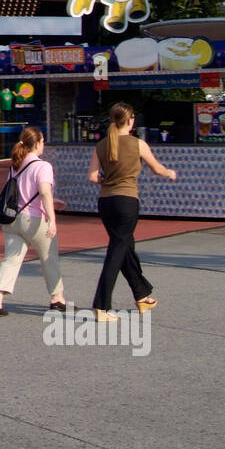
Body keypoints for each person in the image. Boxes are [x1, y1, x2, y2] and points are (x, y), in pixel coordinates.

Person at [87, 102, 178, 322]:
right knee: (117, 252)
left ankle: (142, 295)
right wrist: (170, 173)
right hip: (127, 201)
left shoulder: (102, 145)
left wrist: (107, 181)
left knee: (125, 247)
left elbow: (92, 177)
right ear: (130, 120)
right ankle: (101, 306)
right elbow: (156, 168)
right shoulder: (138, 144)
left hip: (106, 202)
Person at [0, 128, 67, 317]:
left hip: (12, 219)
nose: (43, 145)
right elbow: (44, 192)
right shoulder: (43, 166)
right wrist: (52, 219)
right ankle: (57, 298)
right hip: (34, 219)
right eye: (43, 141)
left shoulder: (15, 165)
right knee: (49, 257)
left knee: (12, 258)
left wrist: (50, 202)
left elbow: (20, 194)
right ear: (38, 143)